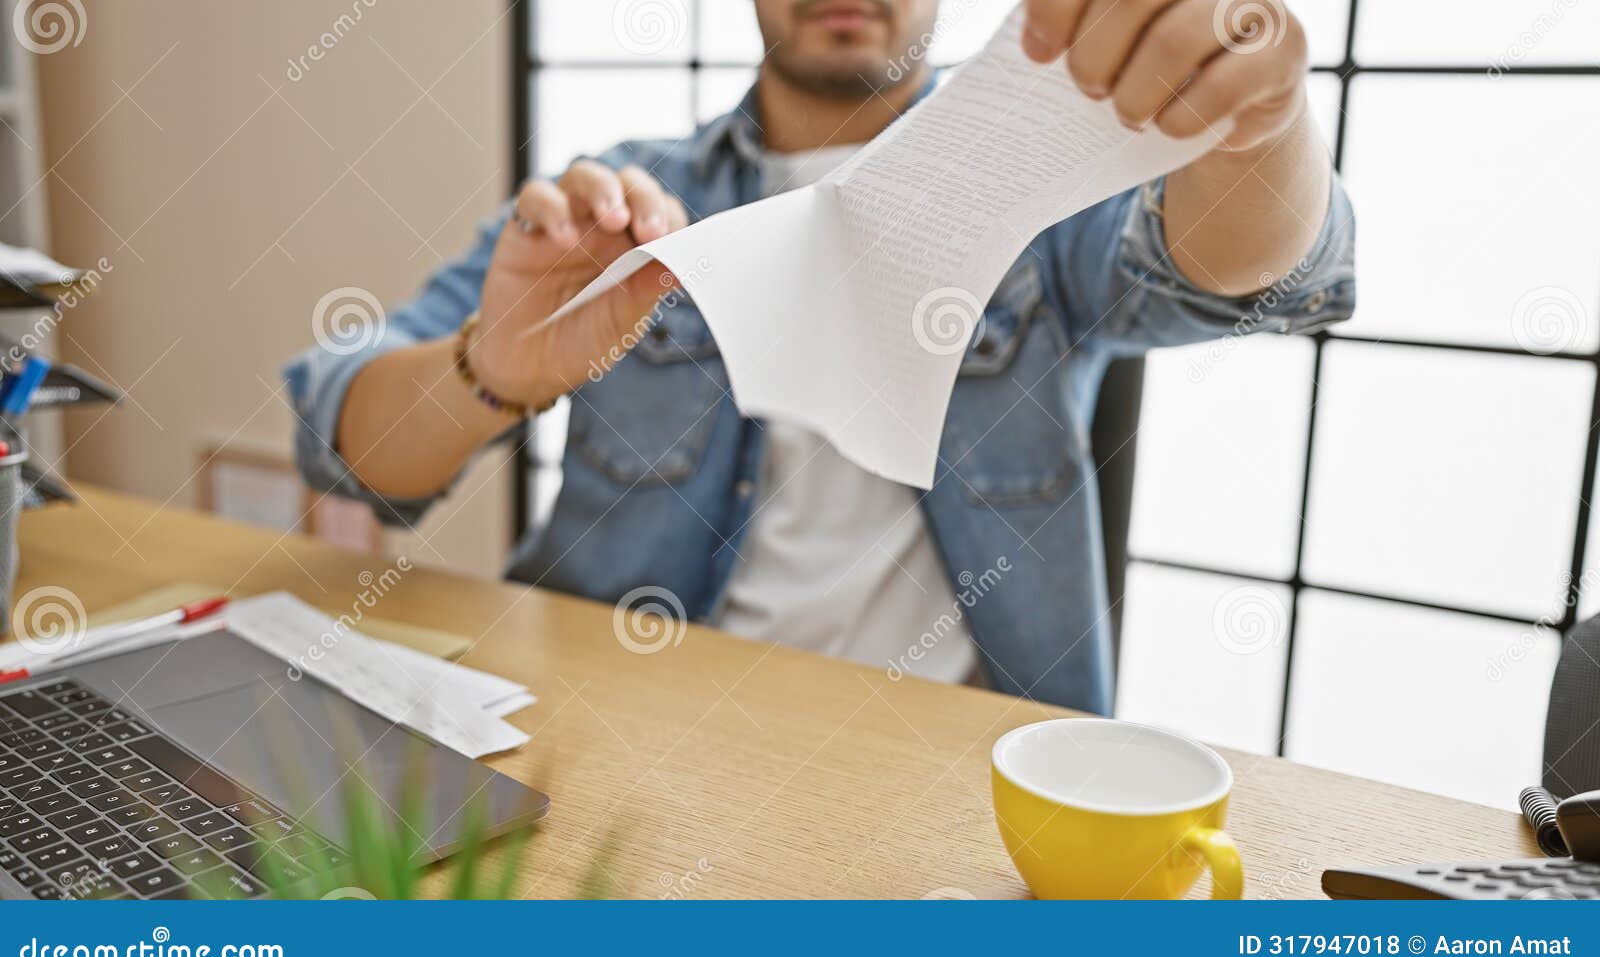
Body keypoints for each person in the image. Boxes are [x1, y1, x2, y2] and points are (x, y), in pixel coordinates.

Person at [285, 0, 1355, 713]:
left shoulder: (1038, 200)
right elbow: (352, 450)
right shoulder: (617, 200)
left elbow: (1258, 275)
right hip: (603, 728)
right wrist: (494, 372)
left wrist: (1257, 124)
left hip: (944, 772)